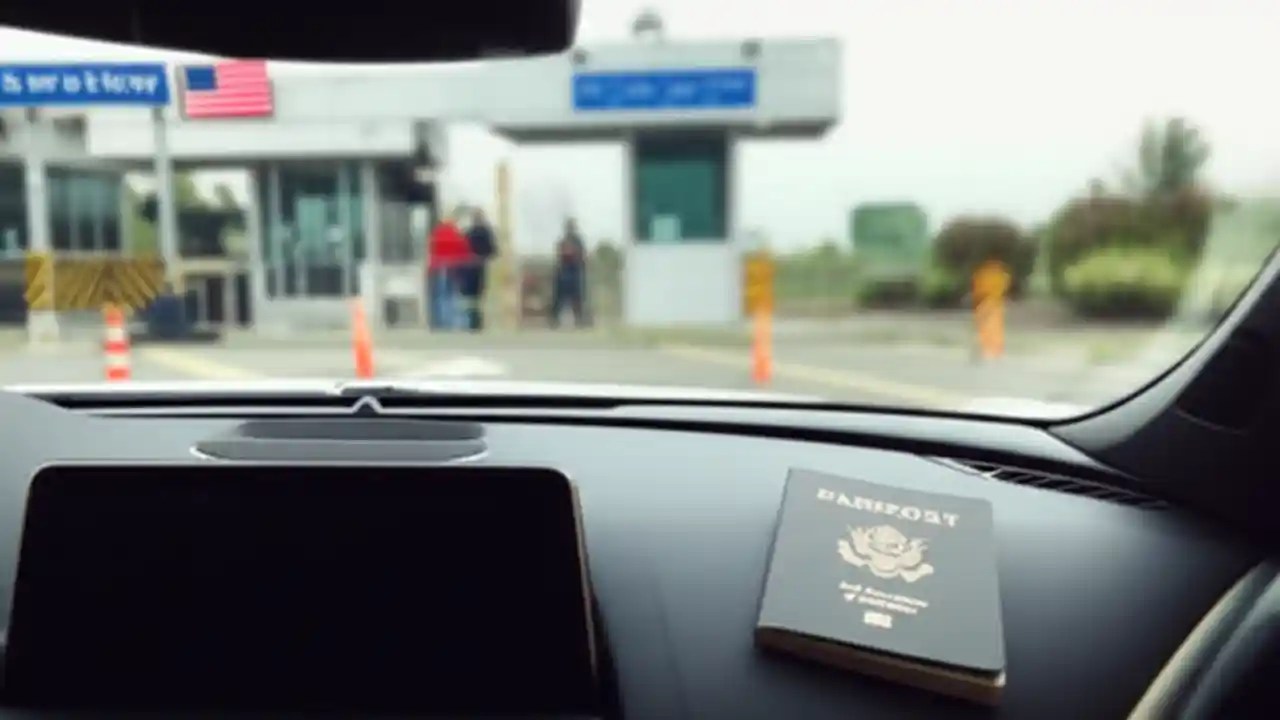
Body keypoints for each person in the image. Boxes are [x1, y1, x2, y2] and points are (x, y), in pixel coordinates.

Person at [426, 211, 469, 330]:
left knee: (440, 296)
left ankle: (440, 322)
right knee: (452, 295)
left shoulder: (437, 233)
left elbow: (431, 249)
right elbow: (464, 251)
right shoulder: (456, 233)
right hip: (453, 269)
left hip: (438, 268)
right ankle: (452, 322)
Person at [461, 208, 497, 331]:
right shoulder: (486, 232)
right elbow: (492, 250)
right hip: (479, 267)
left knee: (473, 295)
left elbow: (463, 248)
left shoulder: (470, 232)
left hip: (470, 268)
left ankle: (474, 321)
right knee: (477, 294)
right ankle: (476, 321)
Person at [550, 218, 587, 328]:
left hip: (574, 271)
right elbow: (559, 256)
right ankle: (555, 318)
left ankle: (579, 319)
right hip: (565, 272)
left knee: (577, 297)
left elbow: (582, 257)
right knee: (559, 296)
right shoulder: (563, 240)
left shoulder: (578, 241)